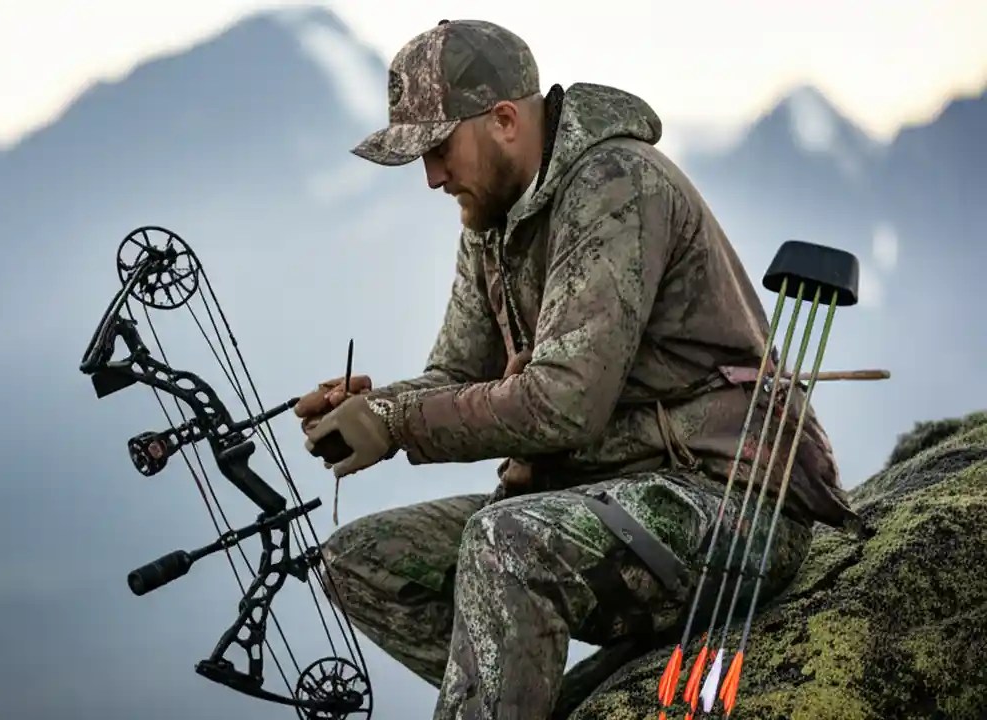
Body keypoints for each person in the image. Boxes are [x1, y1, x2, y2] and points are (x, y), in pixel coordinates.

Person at [295, 18, 860, 720]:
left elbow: (566, 403)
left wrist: (399, 421)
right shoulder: (492, 221)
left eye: (439, 149)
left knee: (505, 543)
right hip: (602, 507)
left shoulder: (617, 184)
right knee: (358, 560)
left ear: (503, 120)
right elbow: (454, 376)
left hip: (727, 504)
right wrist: (372, 412)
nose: (432, 177)